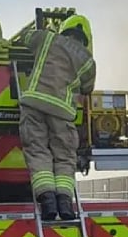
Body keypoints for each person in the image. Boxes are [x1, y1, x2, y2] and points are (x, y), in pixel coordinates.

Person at [18, 15, 96, 221]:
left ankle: (47, 202)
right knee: (64, 157)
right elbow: (88, 88)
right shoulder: (88, 60)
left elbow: (24, 38)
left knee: (37, 149)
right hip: (63, 112)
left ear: (64, 30)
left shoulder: (47, 39)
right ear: (86, 37)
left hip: (34, 104)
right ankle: (65, 204)